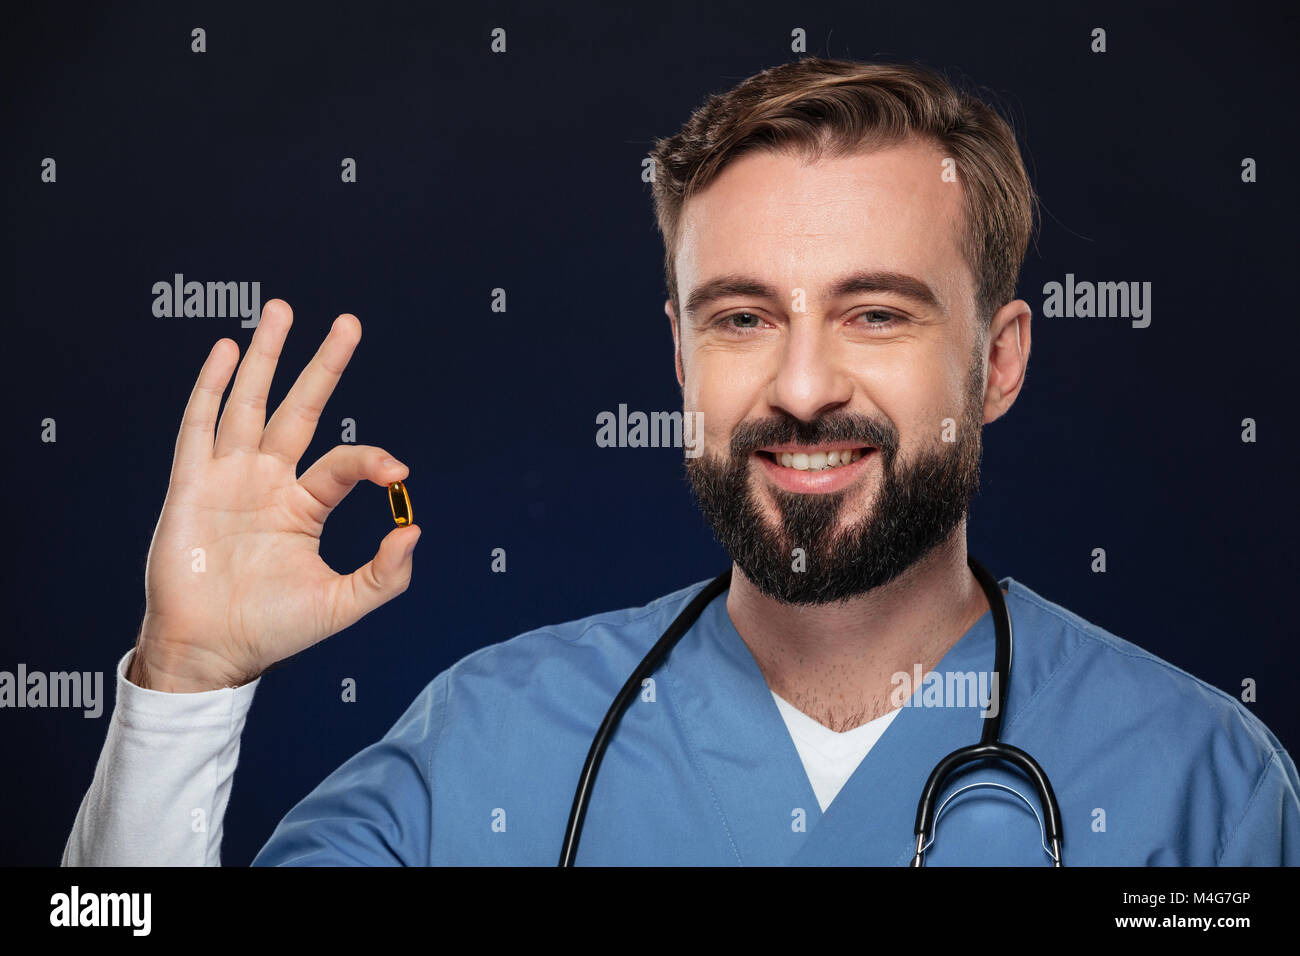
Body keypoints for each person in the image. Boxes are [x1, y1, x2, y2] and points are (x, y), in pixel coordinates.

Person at [63, 58, 1299, 866]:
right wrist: (185, 684)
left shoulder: (1201, 785)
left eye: (877, 312)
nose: (803, 385)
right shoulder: (484, 746)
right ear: (677, 355)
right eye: (741, 316)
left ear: (996, 360)